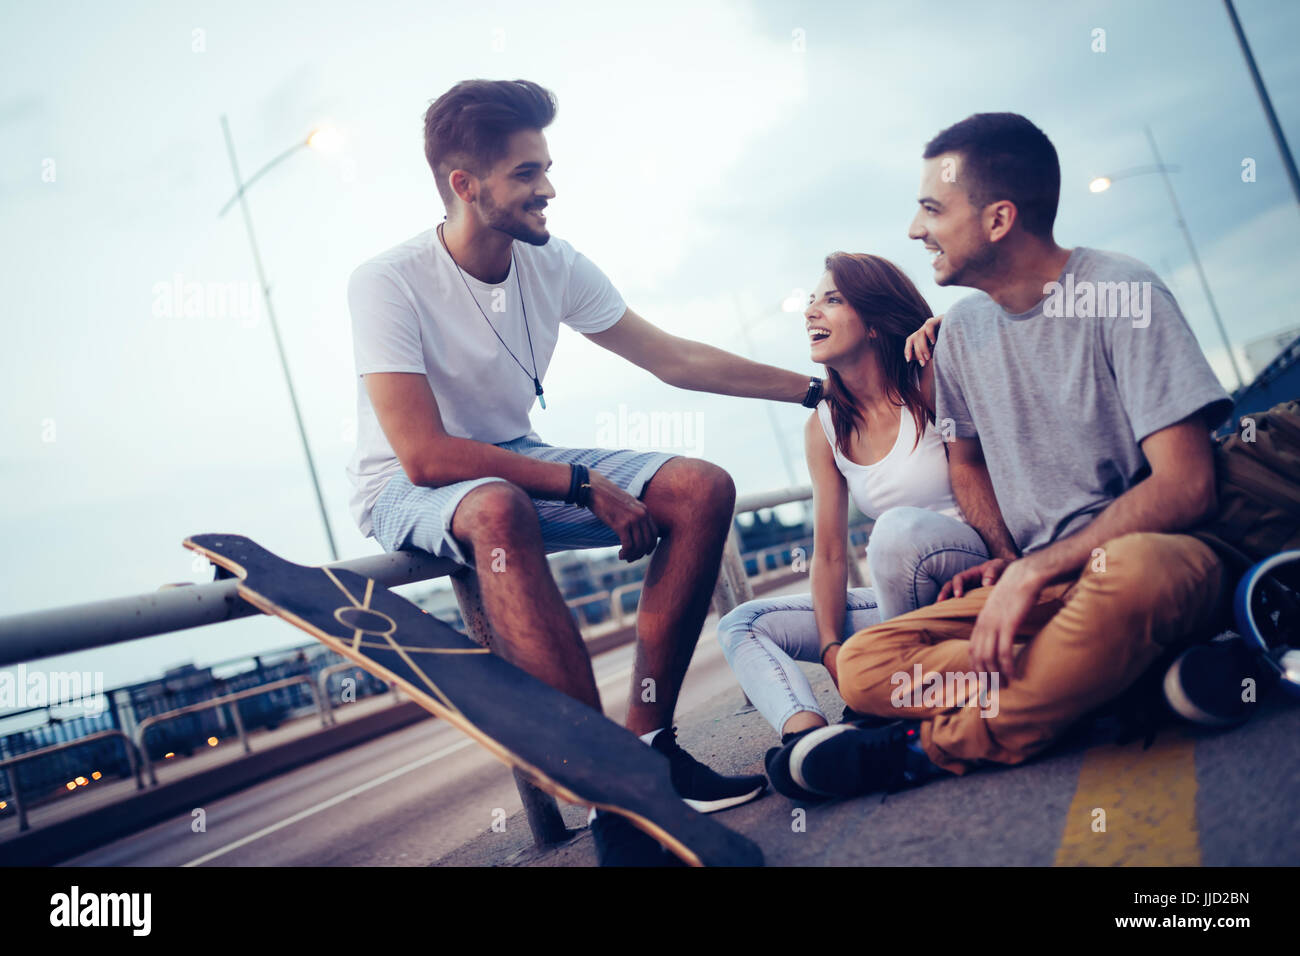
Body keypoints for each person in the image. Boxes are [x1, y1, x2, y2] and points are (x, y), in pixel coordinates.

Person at [345, 79, 827, 864]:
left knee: (699, 489)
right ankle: (611, 794)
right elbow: (424, 454)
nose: (548, 189)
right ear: (465, 186)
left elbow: (673, 358)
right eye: (527, 174)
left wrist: (813, 389)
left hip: (517, 457)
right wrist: (577, 485)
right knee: (498, 506)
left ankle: (648, 753)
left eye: (546, 167)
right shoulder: (388, 281)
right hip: (410, 486)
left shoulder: (553, 263)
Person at [772, 112, 1233, 800]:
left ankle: (925, 747)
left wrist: (1037, 570)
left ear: (998, 220)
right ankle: (1100, 683)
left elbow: (1188, 485)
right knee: (866, 664)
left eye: (931, 209)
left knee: (1131, 579)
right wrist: (1012, 563)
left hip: (1153, 556)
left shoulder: (1123, 295)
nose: (913, 230)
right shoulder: (957, 335)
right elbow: (966, 465)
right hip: (1045, 585)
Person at [715, 252, 1015, 799]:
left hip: (972, 568)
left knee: (896, 531)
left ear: (875, 321)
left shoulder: (929, 378)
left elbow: (1007, 365)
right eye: (811, 299)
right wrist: (831, 647)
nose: (811, 310)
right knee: (742, 624)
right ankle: (809, 739)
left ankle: (889, 708)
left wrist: (958, 328)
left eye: (832, 298)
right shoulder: (825, 425)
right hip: (902, 592)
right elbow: (828, 552)